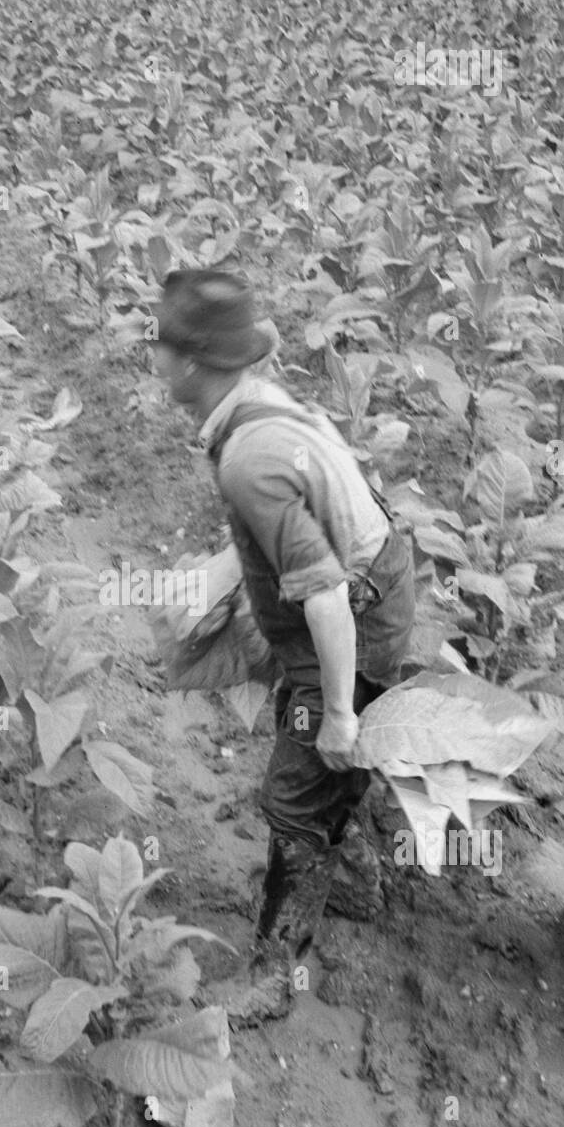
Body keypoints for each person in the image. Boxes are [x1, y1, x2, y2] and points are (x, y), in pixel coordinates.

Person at [149, 269, 416, 1024]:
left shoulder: (249, 457)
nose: (153, 355)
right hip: (362, 590)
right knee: (309, 755)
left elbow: (326, 593)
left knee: (294, 790)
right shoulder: (257, 411)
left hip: (352, 615)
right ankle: (353, 874)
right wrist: (225, 576)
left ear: (194, 363)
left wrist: (337, 710)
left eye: (162, 344)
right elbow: (290, 522)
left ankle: (275, 973)